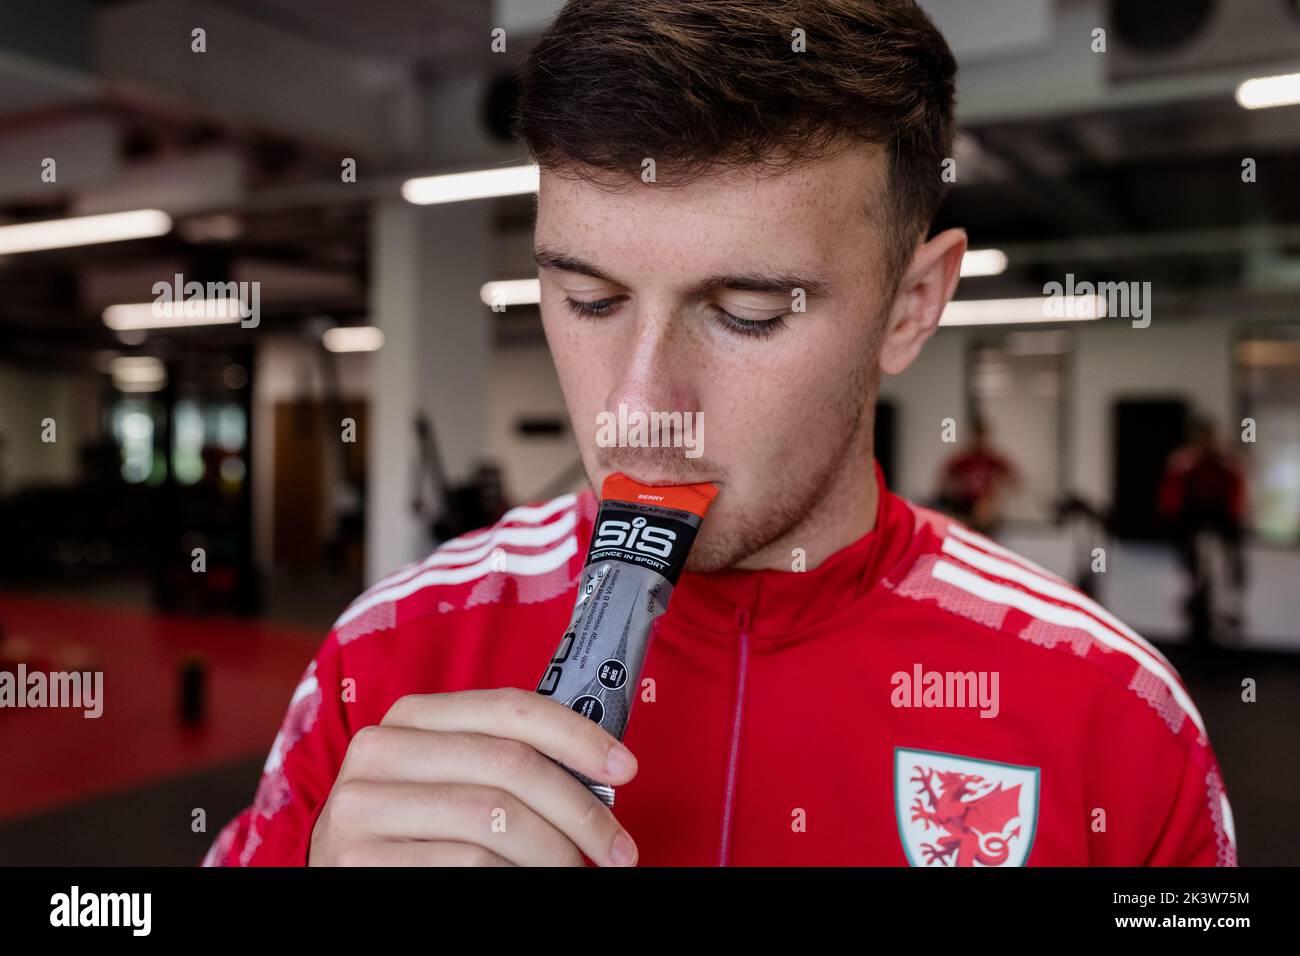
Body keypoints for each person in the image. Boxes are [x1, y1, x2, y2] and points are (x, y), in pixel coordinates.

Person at [206, 0, 1235, 867]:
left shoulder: (1116, 716)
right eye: (589, 298)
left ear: (911, 305)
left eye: (746, 310)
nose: (639, 405)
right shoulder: (387, 656)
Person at [1158, 417, 1248, 645]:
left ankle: (1223, 617)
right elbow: (1169, 501)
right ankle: (1197, 615)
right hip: (1191, 529)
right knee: (1195, 576)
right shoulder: (1183, 464)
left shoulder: (1223, 464)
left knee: (1224, 573)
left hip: (1219, 529)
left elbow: (1236, 498)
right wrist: (1179, 468)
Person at [934, 419, 1018, 534]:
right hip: (964, 502)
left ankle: (981, 524)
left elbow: (1012, 478)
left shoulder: (992, 459)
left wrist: (997, 490)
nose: (978, 441)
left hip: (984, 502)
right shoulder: (963, 459)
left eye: (981, 438)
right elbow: (944, 477)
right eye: (975, 438)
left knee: (985, 506)